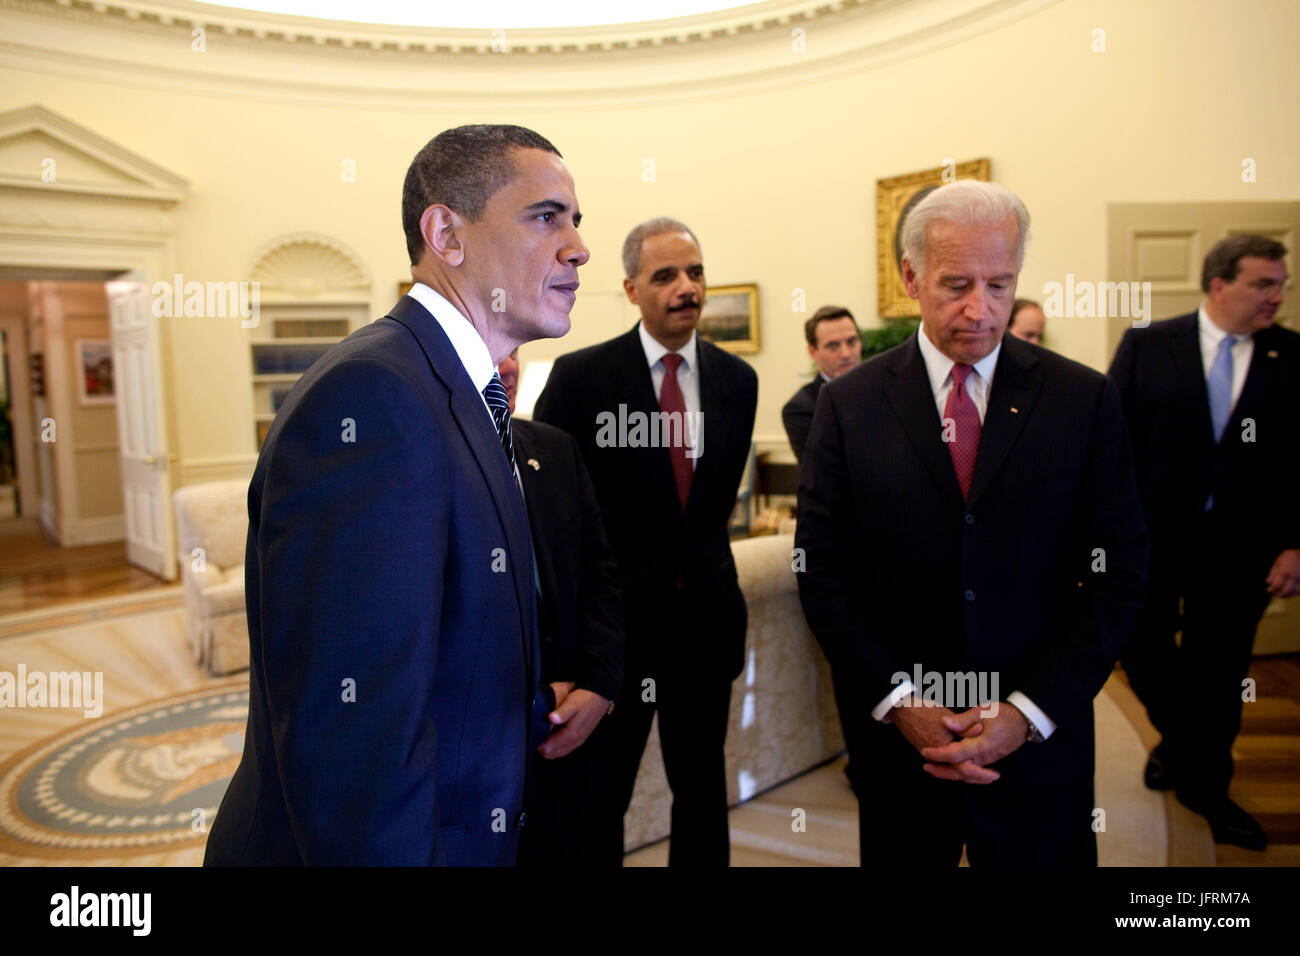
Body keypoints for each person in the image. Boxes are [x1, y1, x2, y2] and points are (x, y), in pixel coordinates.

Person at [204, 124, 589, 866]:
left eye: (576, 220)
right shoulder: (375, 394)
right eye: (547, 216)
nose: (577, 245)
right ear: (445, 232)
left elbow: (449, 656)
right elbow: (354, 742)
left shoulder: (452, 387)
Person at [796, 180, 1147, 866]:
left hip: (1039, 745)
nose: (980, 310)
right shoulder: (850, 406)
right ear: (910, 276)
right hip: (902, 748)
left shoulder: (1082, 399)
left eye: (1000, 284)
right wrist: (901, 701)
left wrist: (1027, 713)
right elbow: (823, 571)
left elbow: (1121, 576)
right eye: (956, 283)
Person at [534, 217, 758, 866]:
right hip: (616, 639)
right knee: (603, 799)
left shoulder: (738, 383)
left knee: (702, 793)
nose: (685, 287)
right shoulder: (580, 380)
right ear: (631, 290)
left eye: (694, 272)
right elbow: (556, 523)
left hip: (705, 631)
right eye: (665, 276)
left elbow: (708, 514)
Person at [1109, 234, 1298, 851]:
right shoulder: (1148, 345)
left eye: (1281, 282)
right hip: (1152, 541)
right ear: (1220, 285)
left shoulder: (1290, 356)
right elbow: (1114, 445)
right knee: (1139, 645)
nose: (1279, 293)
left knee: (1220, 672)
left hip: (1243, 549)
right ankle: (1181, 738)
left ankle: (1209, 789)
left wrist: (1295, 546)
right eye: (1264, 283)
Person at [496, 350, 625, 866]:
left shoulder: (554, 449)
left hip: (571, 731)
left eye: (515, 350)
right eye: (491, 346)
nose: (507, 366)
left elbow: (602, 577)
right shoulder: (421, 455)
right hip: (478, 754)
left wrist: (600, 687)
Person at [781, 305, 861, 462]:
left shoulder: (882, 389)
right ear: (812, 352)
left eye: (851, 342)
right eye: (833, 346)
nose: (846, 354)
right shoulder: (800, 408)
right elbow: (821, 470)